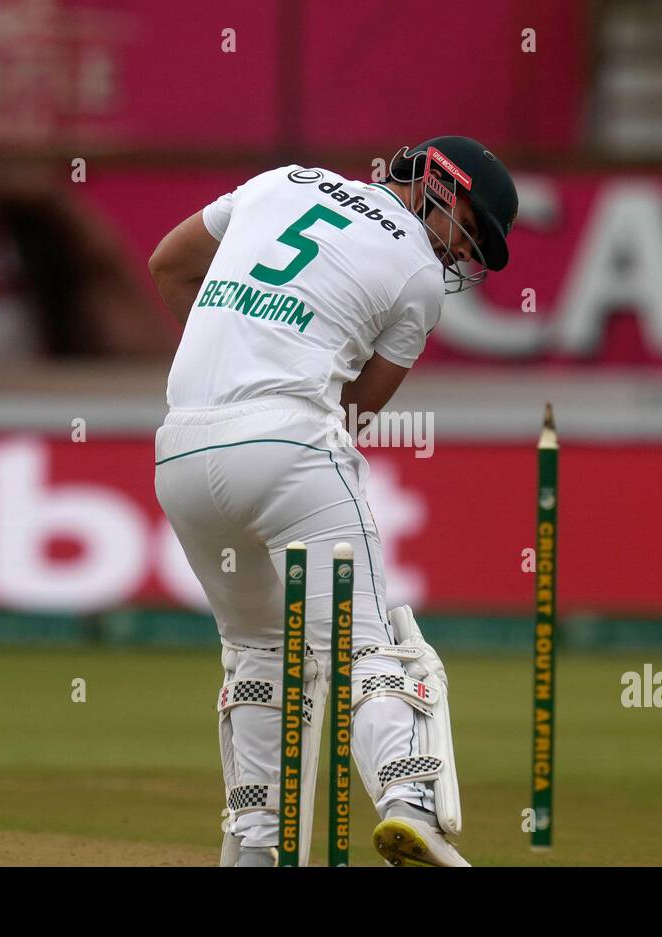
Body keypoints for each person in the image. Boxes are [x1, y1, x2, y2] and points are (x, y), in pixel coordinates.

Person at [148, 136, 517, 866]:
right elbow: (354, 413)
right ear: (437, 183)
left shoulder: (283, 179)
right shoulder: (416, 273)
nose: (462, 252)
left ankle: (254, 848)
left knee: (255, 654)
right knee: (370, 646)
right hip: (288, 447)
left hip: (181, 449)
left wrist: (236, 351)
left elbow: (167, 263)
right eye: (469, 228)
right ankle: (411, 804)